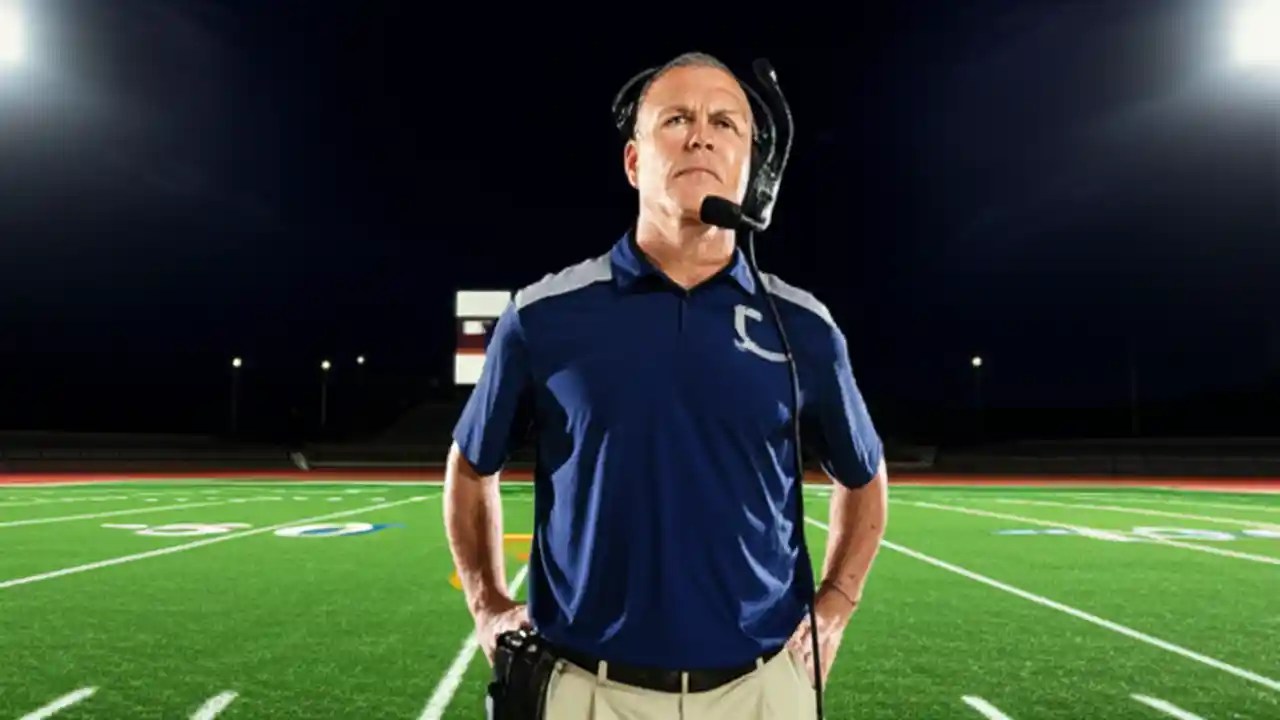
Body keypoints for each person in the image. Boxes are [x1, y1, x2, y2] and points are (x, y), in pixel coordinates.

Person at [444, 50, 888, 719]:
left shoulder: (804, 325)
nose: (701, 134)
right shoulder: (543, 314)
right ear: (633, 161)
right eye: (676, 119)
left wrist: (839, 600)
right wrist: (486, 602)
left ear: (753, 170)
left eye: (726, 123)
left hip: (764, 689)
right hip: (583, 689)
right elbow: (470, 465)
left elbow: (864, 475)